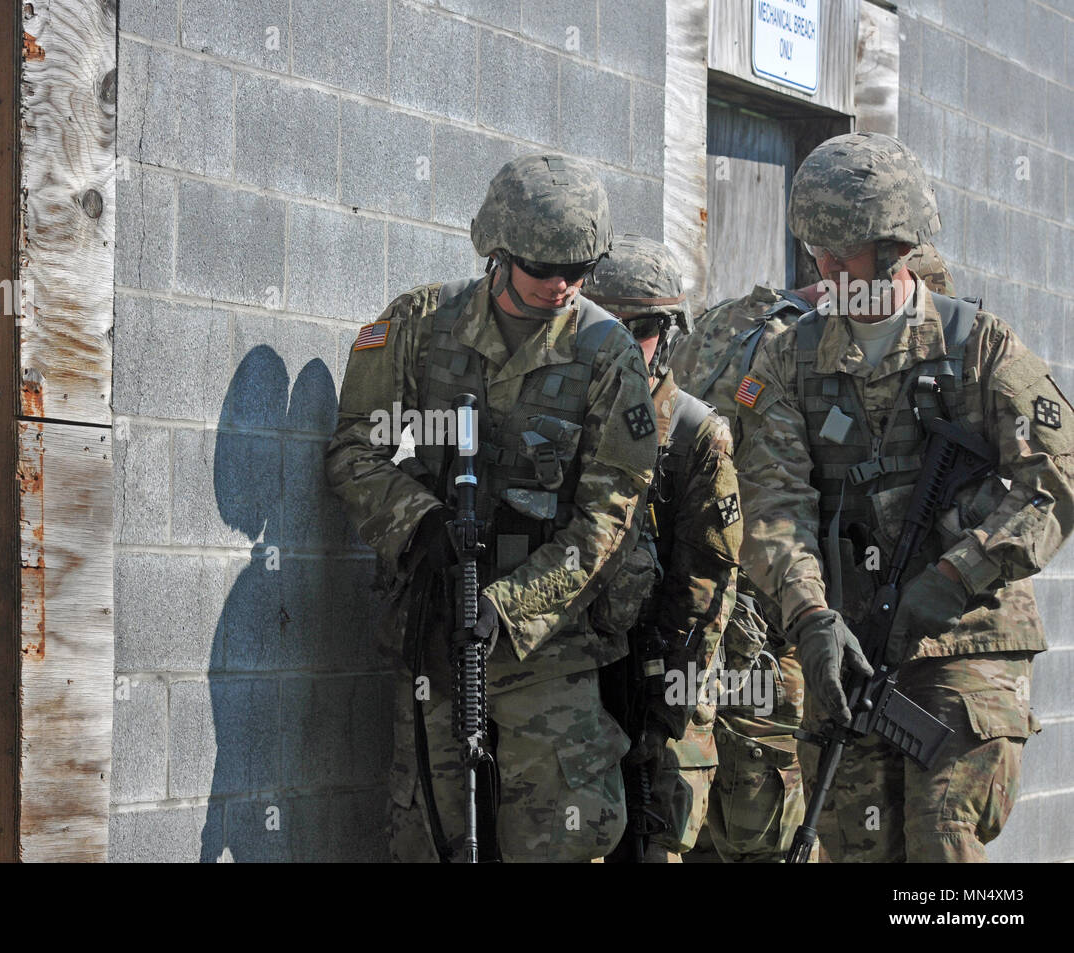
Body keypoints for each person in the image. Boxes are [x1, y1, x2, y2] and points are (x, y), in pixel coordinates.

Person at [734, 131, 1074, 862]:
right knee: (856, 841)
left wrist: (957, 574)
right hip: (854, 641)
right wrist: (811, 616)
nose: (822, 268)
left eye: (839, 252)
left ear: (894, 248)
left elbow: (1056, 477)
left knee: (940, 836)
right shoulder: (788, 357)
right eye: (814, 251)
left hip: (967, 641)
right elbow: (774, 502)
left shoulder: (977, 346)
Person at [325, 154, 658, 862]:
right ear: (499, 253)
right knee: (432, 834)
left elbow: (612, 512)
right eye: (545, 267)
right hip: (440, 625)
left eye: (580, 268)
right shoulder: (420, 323)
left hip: (550, 645)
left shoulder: (607, 352)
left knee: (558, 838)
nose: (563, 284)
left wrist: (510, 605)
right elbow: (355, 448)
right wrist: (420, 524)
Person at [668, 243, 955, 863]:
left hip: (695, 607)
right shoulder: (811, 358)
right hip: (782, 621)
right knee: (785, 818)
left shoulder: (728, 320)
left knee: (697, 802)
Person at [582, 235, 741, 863]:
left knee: (655, 842)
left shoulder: (696, 433)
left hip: (663, 677)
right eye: (606, 325)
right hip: (580, 676)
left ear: (669, 333)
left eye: (642, 327)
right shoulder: (566, 417)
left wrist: (668, 690)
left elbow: (708, 581)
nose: (625, 341)